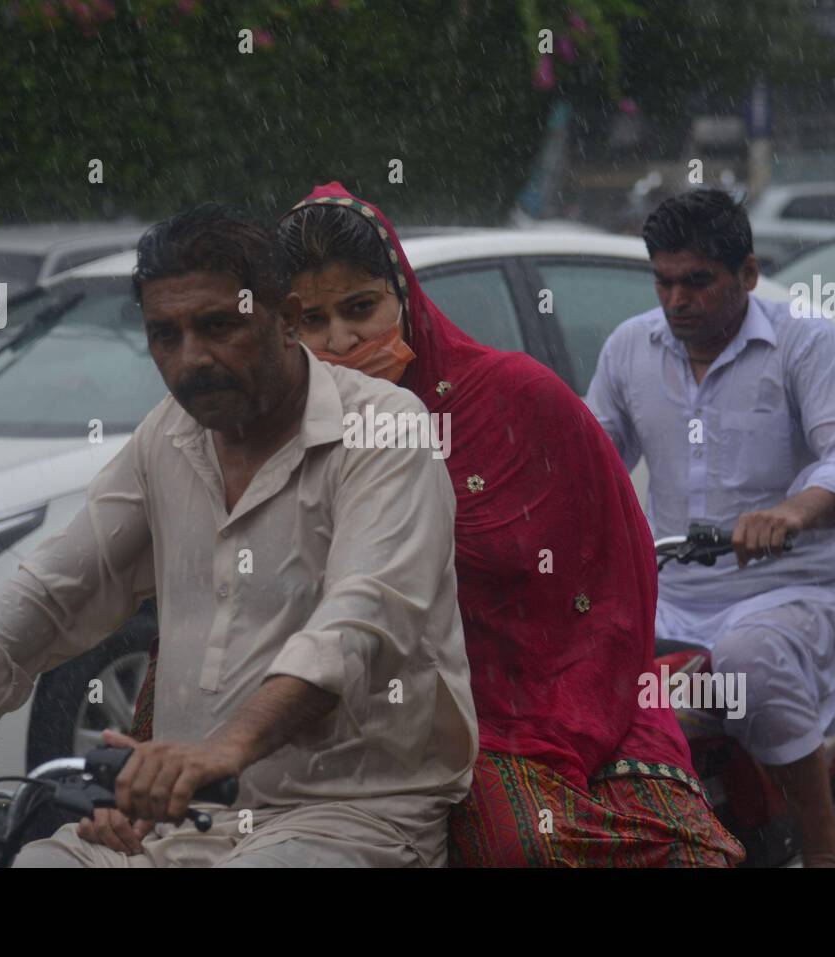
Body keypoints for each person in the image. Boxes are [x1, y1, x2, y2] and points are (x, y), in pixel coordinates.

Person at [0, 204, 478, 868]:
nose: (192, 359)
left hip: (350, 816)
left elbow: (360, 619)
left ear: (284, 317)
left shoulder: (386, 428)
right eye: (165, 335)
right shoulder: (169, 436)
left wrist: (225, 748)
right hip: (186, 819)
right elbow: (57, 585)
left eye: (219, 326)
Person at [263, 182, 742, 866]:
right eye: (313, 321)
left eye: (361, 308)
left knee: (693, 857)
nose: (340, 341)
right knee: (519, 846)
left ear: (406, 298)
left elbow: (613, 566)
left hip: (589, 686)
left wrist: (582, 695)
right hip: (439, 717)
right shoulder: (284, 441)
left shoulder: (517, 396)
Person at [585, 189, 835, 867]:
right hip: (666, 601)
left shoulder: (805, 340)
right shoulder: (630, 348)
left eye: (697, 281)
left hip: (790, 595)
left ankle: (822, 840)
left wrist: (791, 511)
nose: (676, 299)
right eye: (663, 281)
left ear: (747, 273)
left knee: (746, 660)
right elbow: (588, 458)